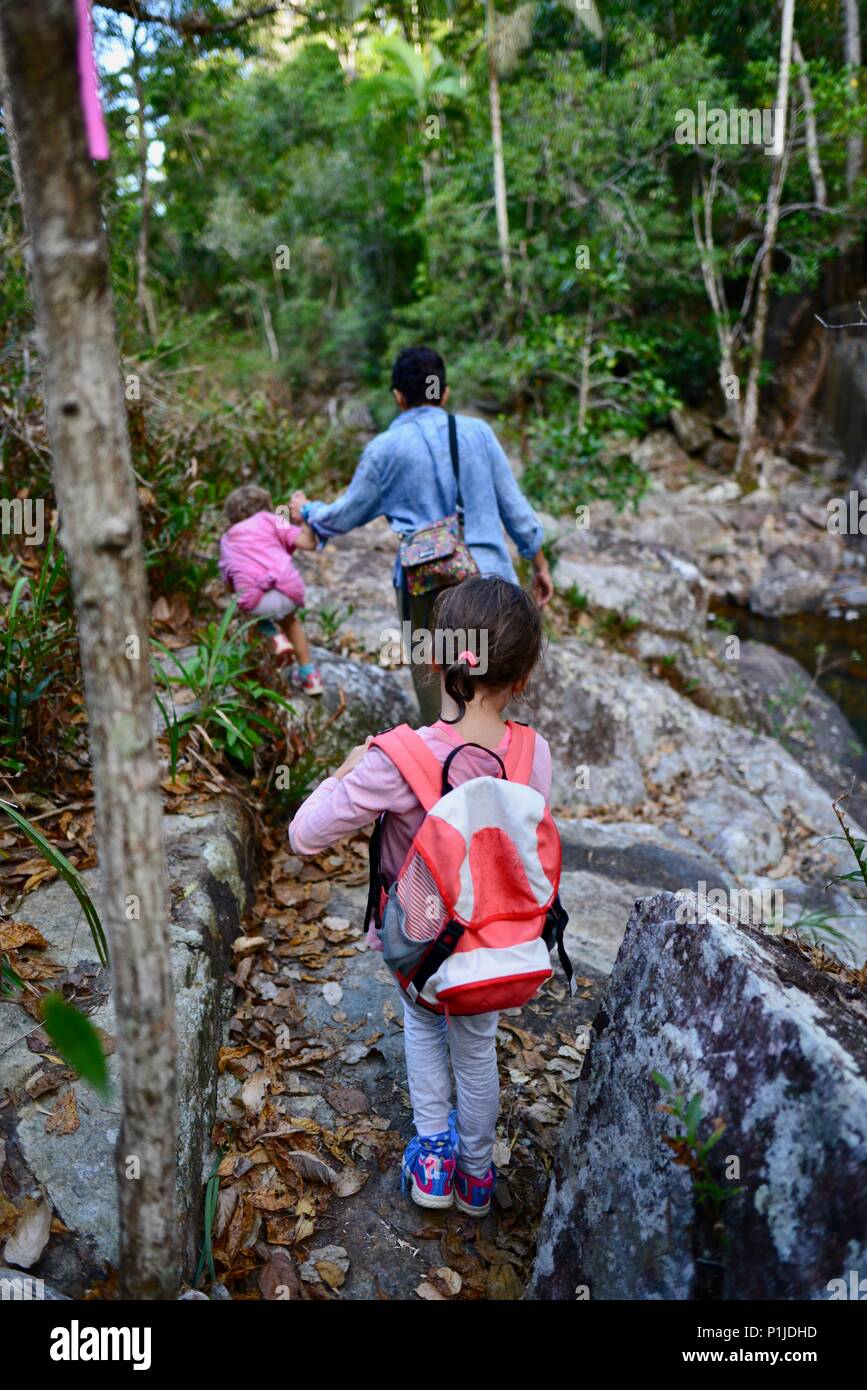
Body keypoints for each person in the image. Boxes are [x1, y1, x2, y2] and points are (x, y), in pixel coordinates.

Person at [287, 576, 550, 1215]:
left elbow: (304, 836)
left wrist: (347, 767)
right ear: (523, 677)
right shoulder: (533, 754)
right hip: (496, 947)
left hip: (423, 948)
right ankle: (477, 1177)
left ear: (433, 659)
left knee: (426, 1028)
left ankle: (432, 1161)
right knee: (478, 1044)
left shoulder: (396, 758)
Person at [289, 346, 553, 721]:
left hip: (429, 588)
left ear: (398, 398)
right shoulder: (478, 433)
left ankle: (447, 771)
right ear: (443, 393)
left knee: (440, 696)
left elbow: (342, 516)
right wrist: (539, 564)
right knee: (494, 686)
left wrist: (308, 510)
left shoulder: (383, 450)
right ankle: (498, 769)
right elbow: (518, 513)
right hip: (492, 583)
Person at [219, 484, 323, 696]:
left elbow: (229, 582)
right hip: (290, 590)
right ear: (265, 505)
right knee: (291, 621)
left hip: (257, 602)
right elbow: (308, 543)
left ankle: (273, 637)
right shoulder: (273, 518)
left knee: (247, 612)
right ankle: (310, 677)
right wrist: (305, 518)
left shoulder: (227, 538)